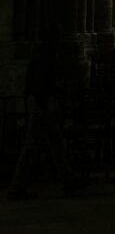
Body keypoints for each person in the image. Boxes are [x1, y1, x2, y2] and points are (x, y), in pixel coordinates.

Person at [7, 23, 77, 199]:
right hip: (41, 104)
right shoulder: (44, 54)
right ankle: (17, 186)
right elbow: (41, 81)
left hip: (41, 102)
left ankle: (67, 180)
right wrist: (47, 100)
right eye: (57, 35)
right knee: (35, 145)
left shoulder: (43, 53)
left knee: (55, 142)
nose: (59, 39)